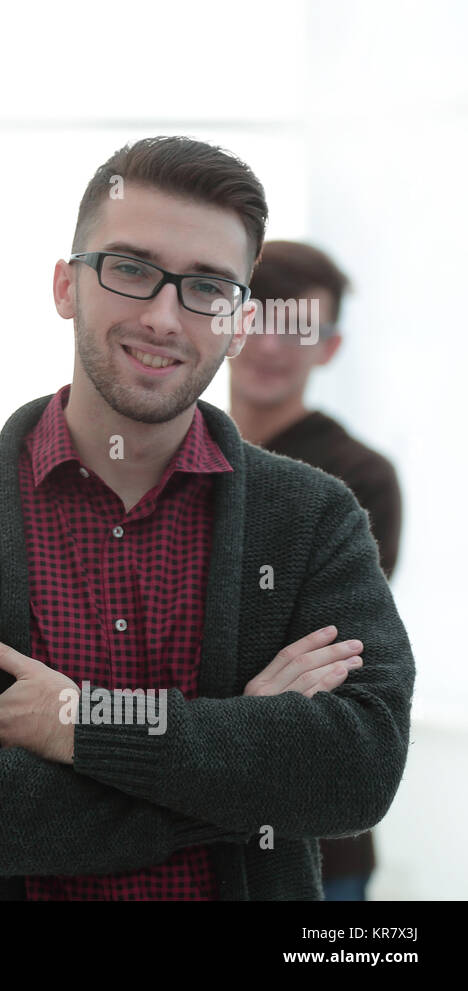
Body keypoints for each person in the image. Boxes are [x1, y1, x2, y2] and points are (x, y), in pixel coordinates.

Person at [0, 136, 414, 900]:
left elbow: (358, 772)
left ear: (238, 317)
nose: (163, 316)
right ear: (65, 285)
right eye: (130, 269)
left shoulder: (316, 519)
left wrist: (85, 723)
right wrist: (238, 759)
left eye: (208, 288)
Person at [230, 240, 402, 901]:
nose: (275, 345)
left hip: (321, 831)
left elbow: (326, 652)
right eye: (262, 317)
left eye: (300, 327)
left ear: (329, 347)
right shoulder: (170, 453)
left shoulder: (359, 478)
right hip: (180, 811)